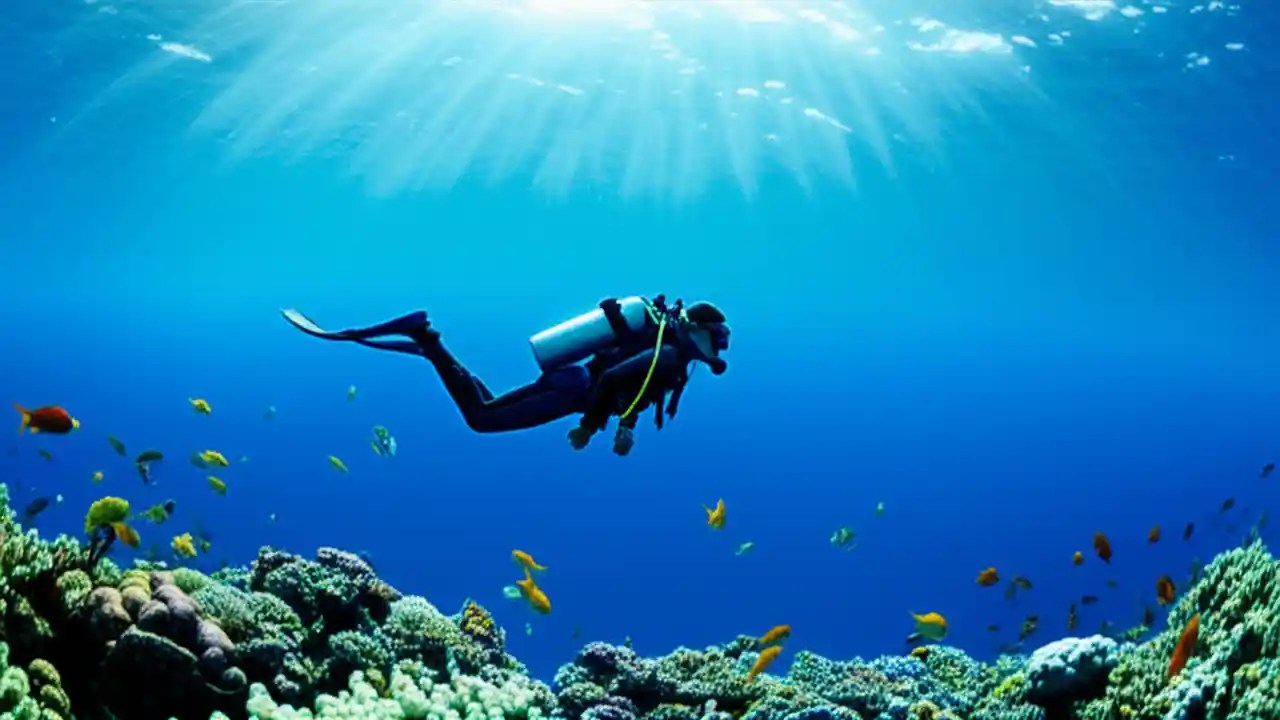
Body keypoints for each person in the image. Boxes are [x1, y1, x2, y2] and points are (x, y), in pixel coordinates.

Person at [280, 295, 730, 455]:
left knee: (488, 405)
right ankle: (427, 339)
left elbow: (633, 386)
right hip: (576, 391)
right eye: (719, 337)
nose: (720, 347)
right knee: (481, 419)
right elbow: (614, 383)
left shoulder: (667, 353)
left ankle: (431, 345)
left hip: (571, 381)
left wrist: (625, 425)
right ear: (697, 328)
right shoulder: (669, 356)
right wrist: (590, 430)